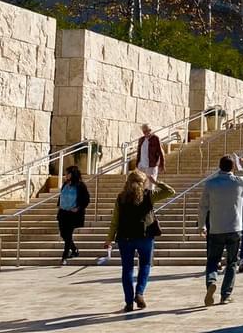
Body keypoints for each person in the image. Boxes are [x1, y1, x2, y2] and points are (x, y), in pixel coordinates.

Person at [104, 170, 176, 312]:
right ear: (143, 183)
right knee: (145, 265)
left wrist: (109, 239)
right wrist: (156, 183)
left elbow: (115, 221)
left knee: (127, 269)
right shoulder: (148, 195)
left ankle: (129, 302)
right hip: (145, 236)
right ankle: (139, 293)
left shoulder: (121, 198)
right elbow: (170, 191)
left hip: (125, 238)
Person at [197, 154, 243, 306]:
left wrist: (202, 225)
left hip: (216, 228)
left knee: (213, 260)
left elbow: (203, 207)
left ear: (219, 166)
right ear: (233, 167)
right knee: (232, 262)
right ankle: (225, 295)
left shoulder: (210, 184)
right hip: (234, 228)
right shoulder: (239, 182)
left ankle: (211, 281)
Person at [56, 165, 90, 265]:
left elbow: (86, 199)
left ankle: (64, 257)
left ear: (73, 174)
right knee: (63, 234)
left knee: (68, 234)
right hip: (63, 212)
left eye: (68, 173)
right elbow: (61, 195)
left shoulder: (80, 185)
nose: (65, 175)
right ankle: (74, 250)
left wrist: (78, 208)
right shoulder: (65, 184)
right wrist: (59, 205)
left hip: (72, 214)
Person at [135, 124, 165, 190]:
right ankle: (142, 199)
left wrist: (162, 164)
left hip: (151, 166)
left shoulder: (155, 138)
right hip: (141, 166)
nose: (145, 132)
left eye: (147, 131)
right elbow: (139, 153)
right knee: (141, 185)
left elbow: (161, 152)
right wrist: (137, 164)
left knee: (151, 186)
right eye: (144, 131)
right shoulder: (141, 140)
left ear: (150, 130)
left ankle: (150, 199)